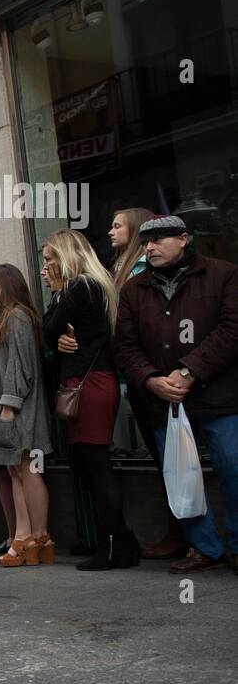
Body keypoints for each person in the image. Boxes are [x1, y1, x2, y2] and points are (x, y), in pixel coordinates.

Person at [114, 215, 238, 575]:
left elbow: (232, 330)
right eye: (145, 243)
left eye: (158, 240)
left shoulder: (223, 274)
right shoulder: (133, 290)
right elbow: (124, 347)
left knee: (233, 466)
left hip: (220, 397)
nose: (149, 248)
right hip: (164, 401)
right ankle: (205, 548)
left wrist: (189, 370)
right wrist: (151, 379)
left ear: (184, 239)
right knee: (181, 475)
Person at [42, 229, 138, 570]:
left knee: (96, 467)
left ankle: (112, 546)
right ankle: (122, 542)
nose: (46, 267)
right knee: (91, 465)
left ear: (68, 256)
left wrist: (55, 294)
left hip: (90, 384)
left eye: (51, 258)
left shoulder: (78, 286)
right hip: (92, 382)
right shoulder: (90, 286)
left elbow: (49, 329)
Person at [109, 207, 184, 559]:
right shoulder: (123, 270)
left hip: (164, 377)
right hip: (141, 378)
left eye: (118, 225)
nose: (110, 231)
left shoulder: (142, 271)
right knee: (167, 460)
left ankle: (187, 535)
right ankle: (183, 534)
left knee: (178, 460)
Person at [0, 264, 53, 567]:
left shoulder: (17, 316)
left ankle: (39, 535)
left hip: (19, 410)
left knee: (26, 469)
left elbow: (22, 366)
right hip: (11, 409)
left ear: (2, 286)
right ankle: (24, 536)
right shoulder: (9, 318)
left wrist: (9, 406)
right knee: (16, 471)